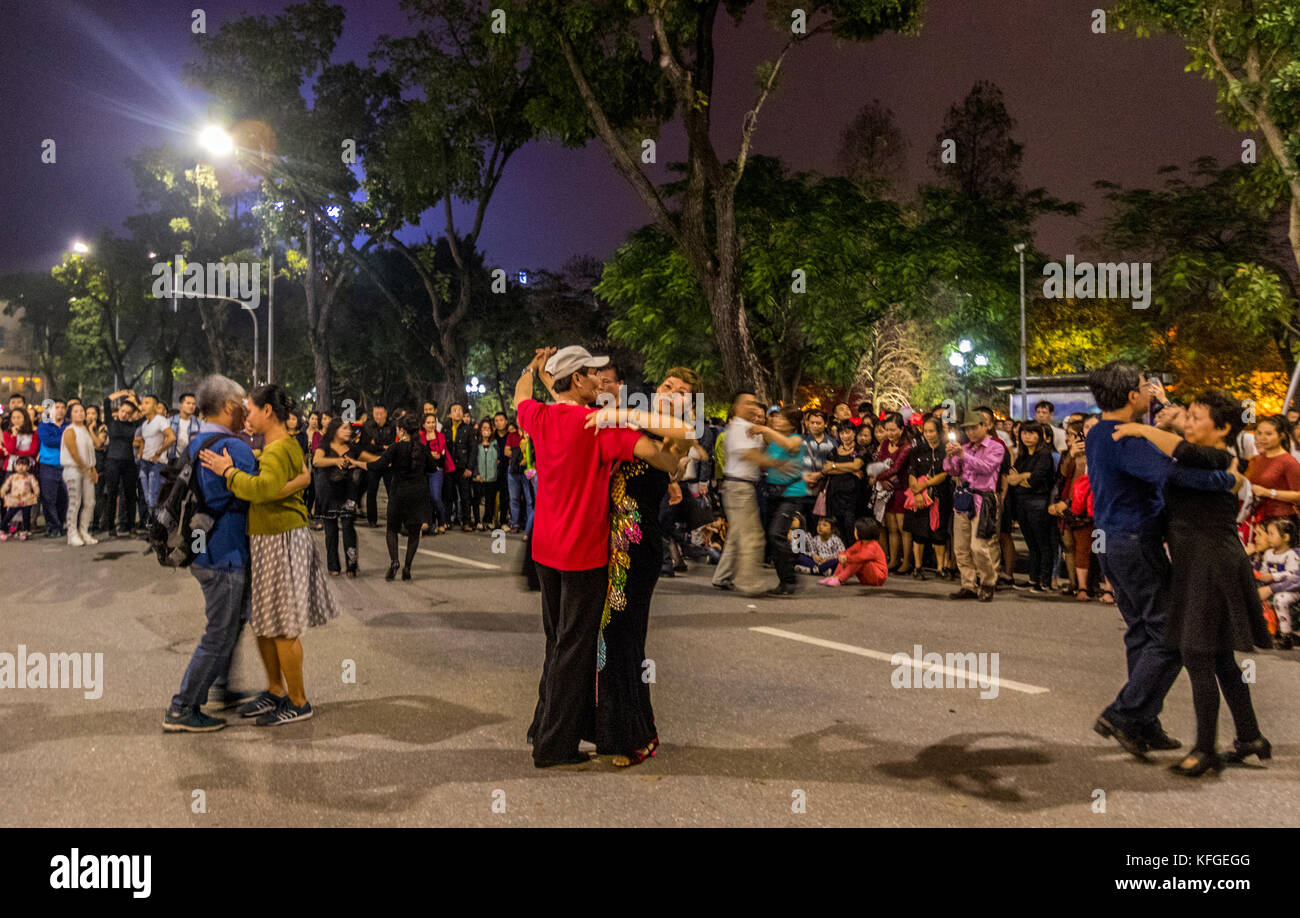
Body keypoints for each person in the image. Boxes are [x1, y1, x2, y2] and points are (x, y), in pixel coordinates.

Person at [515, 345, 686, 768]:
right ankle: (553, 746)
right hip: (582, 553)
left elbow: (520, 396)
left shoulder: (540, 416)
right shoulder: (599, 428)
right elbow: (665, 453)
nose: (601, 381)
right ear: (577, 379)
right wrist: (669, 457)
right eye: (593, 374)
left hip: (545, 549)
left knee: (556, 641)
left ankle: (543, 726)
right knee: (575, 649)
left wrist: (533, 368)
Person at [1086, 362, 1242, 759]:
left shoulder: (1100, 431)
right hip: (1134, 540)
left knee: (1142, 631)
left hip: (1112, 541)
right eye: (1144, 386)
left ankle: (1144, 723)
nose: (1149, 390)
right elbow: (1172, 475)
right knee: (1171, 633)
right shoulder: (1123, 437)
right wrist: (1229, 480)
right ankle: (1124, 713)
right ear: (1130, 395)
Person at [1111, 390, 1271, 775]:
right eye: (1190, 415)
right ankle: (1250, 737)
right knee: (1220, 658)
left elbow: (1177, 458)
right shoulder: (1206, 461)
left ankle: (1205, 750)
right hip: (1199, 562)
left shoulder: (1219, 457)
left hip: (1211, 563)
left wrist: (1139, 429)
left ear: (1224, 428)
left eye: (1198, 417)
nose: (1189, 422)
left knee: (1197, 654)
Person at [199, 384, 335, 726]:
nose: (247, 415)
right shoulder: (278, 446)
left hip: (280, 539)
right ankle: (275, 690)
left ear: (268, 411)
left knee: (282, 625)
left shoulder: (277, 449)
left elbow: (263, 489)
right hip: (268, 538)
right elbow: (282, 477)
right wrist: (296, 480)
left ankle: (299, 701)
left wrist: (228, 471)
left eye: (251, 409)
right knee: (264, 621)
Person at [594, 365, 700, 768]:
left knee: (624, 637)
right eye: (668, 385)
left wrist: (622, 412)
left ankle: (634, 737)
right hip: (608, 544)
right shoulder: (634, 426)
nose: (671, 392)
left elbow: (681, 438)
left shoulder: (678, 436)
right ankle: (614, 730)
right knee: (608, 637)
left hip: (637, 551)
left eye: (682, 391)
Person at [163, 375, 262, 732]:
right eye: (243, 404)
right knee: (219, 631)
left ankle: (222, 687)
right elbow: (259, 491)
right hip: (226, 551)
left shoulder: (197, 440)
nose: (247, 411)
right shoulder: (233, 447)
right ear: (230, 406)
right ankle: (183, 707)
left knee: (230, 625)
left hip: (201, 547)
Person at [712, 391, 790, 597]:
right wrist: (775, 463)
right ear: (737, 407)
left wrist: (766, 428)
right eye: (748, 403)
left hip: (740, 486)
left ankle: (722, 576)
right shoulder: (739, 427)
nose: (753, 407)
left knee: (737, 535)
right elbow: (750, 454)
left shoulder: (749, 427)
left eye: (755, 404)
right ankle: (749, 583)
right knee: (752, 537)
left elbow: (769, 443)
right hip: (739, 487)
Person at [356, 414, 439, 581]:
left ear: (401, 430)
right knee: (414, 532)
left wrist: (356, 463)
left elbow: (378, 465)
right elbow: (433, 468)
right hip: (418, 494)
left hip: (399, 492)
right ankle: (407, 567)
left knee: (392, 529)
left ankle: (394, 561)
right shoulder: (422, 448)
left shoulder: (395, 448)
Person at [943, 413, 1006, 602]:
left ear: (985, 426)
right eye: (967, 429)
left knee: (979, 546)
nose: (970, 432)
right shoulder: (965, 447)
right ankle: (968, 584)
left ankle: (987, 582)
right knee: (961, 546)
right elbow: (952, 471)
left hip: (983, 499)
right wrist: (950, 457)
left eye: (974, 427)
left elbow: (986, 467)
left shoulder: (996, 447)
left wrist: (963, 455)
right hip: (963, 497)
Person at [763, 407, 808, 597]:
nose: (776, 420)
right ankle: (784, 581)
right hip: (773, 492)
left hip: (791, 493)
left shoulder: (796, 439)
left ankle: (790, 579)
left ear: (792, 423)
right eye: (776, 417)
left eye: (781, 418)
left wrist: (765, 429)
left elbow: (789, 446)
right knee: (772, 536)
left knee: (776, 534)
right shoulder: (773, 441)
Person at [1007, 421, 1057, 592]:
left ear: (1039, 435)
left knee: (1043, 543)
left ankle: (1045, 580)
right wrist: (1025, 476)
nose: (1027, 436)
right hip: (1022, 502)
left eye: (1031, 433)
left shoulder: (1044, 455)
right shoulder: (1022, 456)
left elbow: (1035, 480)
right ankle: (1033, 578)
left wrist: (1021, 478)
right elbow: (1011, 479)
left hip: (1039, 503)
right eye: (1024, 433)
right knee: (1031, 543)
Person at [313, 418, 366, 577]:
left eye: (349, 428)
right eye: (344, 428)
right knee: (331, 530)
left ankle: (352, 566)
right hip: (328, 492)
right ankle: (333, 565)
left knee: (348, 527)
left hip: (348, 492)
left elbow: (371, 459)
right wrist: (336, 460)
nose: (348, 431)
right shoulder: (324, 446)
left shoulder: (353, 448)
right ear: (335, 430)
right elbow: (316, 461)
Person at [905, 416, 952, 580]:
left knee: (939, 532)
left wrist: (925, 484)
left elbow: (945, 474)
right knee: (918, 532)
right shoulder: (917, 450)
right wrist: (917, 493)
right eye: (926, 431)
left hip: (940, 496)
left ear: (939, 432)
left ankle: (940, 567)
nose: (928, 434)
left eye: (932, 431)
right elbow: (912, 472)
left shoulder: (946, 450)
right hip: (919, 497)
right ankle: (917, 567)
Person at [874, 411, 914, 573]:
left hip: (901, 490)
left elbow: (896, 468)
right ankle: (893, 559)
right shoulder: (885, 444)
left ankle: (907, 561)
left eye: (893, 430)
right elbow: (879, 462)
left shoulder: (906, 447)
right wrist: (881, 480)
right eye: (887, 430)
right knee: (891, 527)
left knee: (903, 528)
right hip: (887, 490)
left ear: (901, 429)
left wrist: (876, 477)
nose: (890, 433)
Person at [102, 391, 140, 537]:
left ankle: (131, 526)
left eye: (128, 412)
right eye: (122, 411)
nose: (124, 414)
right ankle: (111, 526)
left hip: (129, 462)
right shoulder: (111, 422)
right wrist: (123, 393)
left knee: (130, 495)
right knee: (112, 494)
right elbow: (106, 401)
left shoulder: (134, 425)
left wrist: (135, 400)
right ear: (118, 410)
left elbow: (143, 412)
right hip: (112, 461)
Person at [1256, 517, 1299, 650]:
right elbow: (1263, 570)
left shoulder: (1291, 554)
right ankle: (1268, 630)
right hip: (1273, 587)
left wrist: (1273, 577)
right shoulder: (1269, 553)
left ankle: (1286, 635)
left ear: (1285, 537)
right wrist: (1259, 575)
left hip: (1291, 590)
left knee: (1280, 599)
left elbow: (1293, 575)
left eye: (1271, 534)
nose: (1269, 537)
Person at [60, 403, 98, 547]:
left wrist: (92, 468)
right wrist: (83, 467)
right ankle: (72, 533)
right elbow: (73, 452)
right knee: (75, 502)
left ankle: (84, 531)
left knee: (89, 502)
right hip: (73, 469)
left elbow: (92, 450)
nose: (80, 413)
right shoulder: (69, 430)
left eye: (82, 411)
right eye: (76, 411)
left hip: (87, 469)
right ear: (70, 415)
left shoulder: (85, 430)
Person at [134, 394, 175, 519]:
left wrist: (159, 452)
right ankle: (152, 523)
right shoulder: (145, 424)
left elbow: (171, 437)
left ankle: (157, 524)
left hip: (156, 464)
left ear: (155, 406)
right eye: (143, 403)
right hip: (144, 462)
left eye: (147, 403)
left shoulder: (160, 420)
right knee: (147, 498)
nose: (143, 406)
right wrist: (141, 453)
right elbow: (144, 441)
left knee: (154, 498)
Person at [823, 422, 864, 548]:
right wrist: (850, 469)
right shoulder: (834, 451)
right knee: (838, 527)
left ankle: (854, 553)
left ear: (854, 433)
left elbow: (857, 465)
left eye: (848, 432)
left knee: (851, 526)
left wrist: (834, 466)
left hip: (853, 496)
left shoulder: (859, 449)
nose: (845, 436)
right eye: (842, 433)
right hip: (835, 494)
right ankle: (843, 553)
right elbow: (826, 469)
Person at [819, 517, 889, 587]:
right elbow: (848, 552)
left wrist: (846, 558)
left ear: (862, 532)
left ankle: (840, 579)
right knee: (846, 557)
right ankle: (834, 576)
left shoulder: (873, 546)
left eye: (855, 530)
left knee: (857, 560)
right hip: (866, 577)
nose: (854, 532)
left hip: (878, 578)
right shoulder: (860, 543)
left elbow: (861, 557)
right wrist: (842, 556)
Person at [359, 404, 396, 527]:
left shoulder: (392, 426)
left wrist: (376, 444)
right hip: (373, 461)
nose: (378, 416)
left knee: (391, 490)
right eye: (376, 414)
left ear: (386, 413)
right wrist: (382, 446)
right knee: (371, 490)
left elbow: (393, 444)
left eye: (381, 413)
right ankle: (372, 520)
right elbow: (366, 445)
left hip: (388, 462)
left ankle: (393, 517)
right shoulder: (367, 426)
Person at [35, 401, 68, 538]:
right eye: (56, 407)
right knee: (49, 499)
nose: (60, 410)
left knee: (63, 498)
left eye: (62, 407)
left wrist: (61, 438)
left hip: (66, 466)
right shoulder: (44, 425)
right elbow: (48, 441)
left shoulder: (69, 425)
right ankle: (53, 526)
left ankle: (60, 524)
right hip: (48, 466)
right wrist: (65, 439)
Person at [419, 411, 450, 534]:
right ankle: (428, 523)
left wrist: (436, 455)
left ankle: (442, 521)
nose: (431, 425)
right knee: (425, 498)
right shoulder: (420, 437)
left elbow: (442, 453)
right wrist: (429, 453)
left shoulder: (440, 436)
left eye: (433, 422)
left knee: (436, 496)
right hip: (423, 471)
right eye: (428, 422)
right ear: (423, 424)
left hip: (437, 470)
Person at [471, 418, 501, 530]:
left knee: (490, 500)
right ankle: (477, 521)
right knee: (477, 500)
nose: (486, 430)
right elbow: (473, 460)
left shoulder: (495, 444)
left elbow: (499, 459)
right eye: (484, 428)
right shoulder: (476, 444)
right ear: (480, 430)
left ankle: (488, 520)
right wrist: (476, 474)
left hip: (492, 477)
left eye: (488, 428)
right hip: (479, 477)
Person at [0, 456, 39, 540]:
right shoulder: (12, 477)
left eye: (24, 465)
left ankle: (25, 530)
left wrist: (36, 493)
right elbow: (6, 485)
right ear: (15, 466)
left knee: (26, 516)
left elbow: (35, 485)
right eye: (19, 465)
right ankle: (2, 529)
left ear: (28, 467)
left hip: (26, 500)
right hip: (15, 500)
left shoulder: (30, 477)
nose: (21, 467)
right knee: (9, 515)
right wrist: (3, 491)